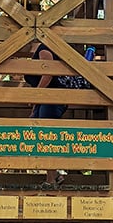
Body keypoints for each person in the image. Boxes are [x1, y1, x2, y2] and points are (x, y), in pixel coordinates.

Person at [25, 41, 67, 187]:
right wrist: (35, 106)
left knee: (47, 134)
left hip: (51, 98)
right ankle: (54, 174)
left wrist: (36, 95)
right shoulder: (44, 49)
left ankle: (51, 178)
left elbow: (48, 73)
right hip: (46, 99)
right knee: (40, 134)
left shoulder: (44, 48)